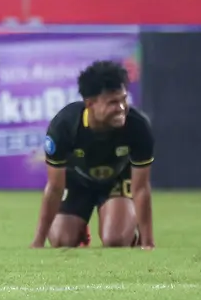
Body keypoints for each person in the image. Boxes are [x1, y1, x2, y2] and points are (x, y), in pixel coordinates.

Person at [30, 60, 156, 250]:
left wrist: (148, 242)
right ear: (90, 103)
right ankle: (80, 229)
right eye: (113, 102)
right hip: (78, 182)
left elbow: (140, 188)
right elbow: (55, 187)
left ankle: (127, 228)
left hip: (116, 181)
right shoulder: (64, 126)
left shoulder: (138, 127)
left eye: (123, 99)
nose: (122, 108)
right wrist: (38, 242)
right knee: (60, 240)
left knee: (115, 240)